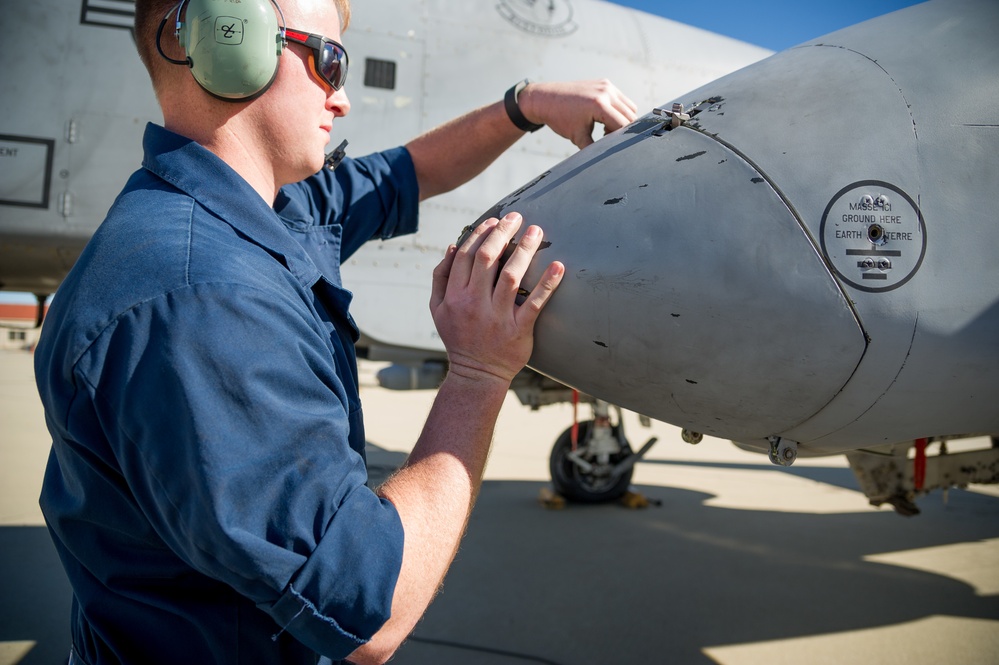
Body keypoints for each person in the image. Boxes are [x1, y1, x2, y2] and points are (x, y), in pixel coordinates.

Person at [34, 0, 638, 663]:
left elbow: (405, 172)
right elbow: (368, 606)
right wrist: (478, 372)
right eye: (329, 60)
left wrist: (523, 105)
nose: (343, 98)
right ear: (229, 40)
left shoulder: (267, 210)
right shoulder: (203, 304)